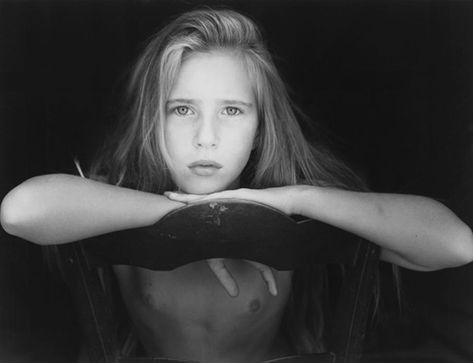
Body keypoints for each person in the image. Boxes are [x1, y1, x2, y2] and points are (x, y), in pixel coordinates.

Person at [1, 8, 472, 363]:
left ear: (260, 127)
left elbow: (456, 244)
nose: (206, 136)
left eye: (232, 110)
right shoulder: (122, 194)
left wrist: (290, 200)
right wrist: (193, 217)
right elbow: (20, 211)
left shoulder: (295, 206)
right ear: (152, 119)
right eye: (181, 109)